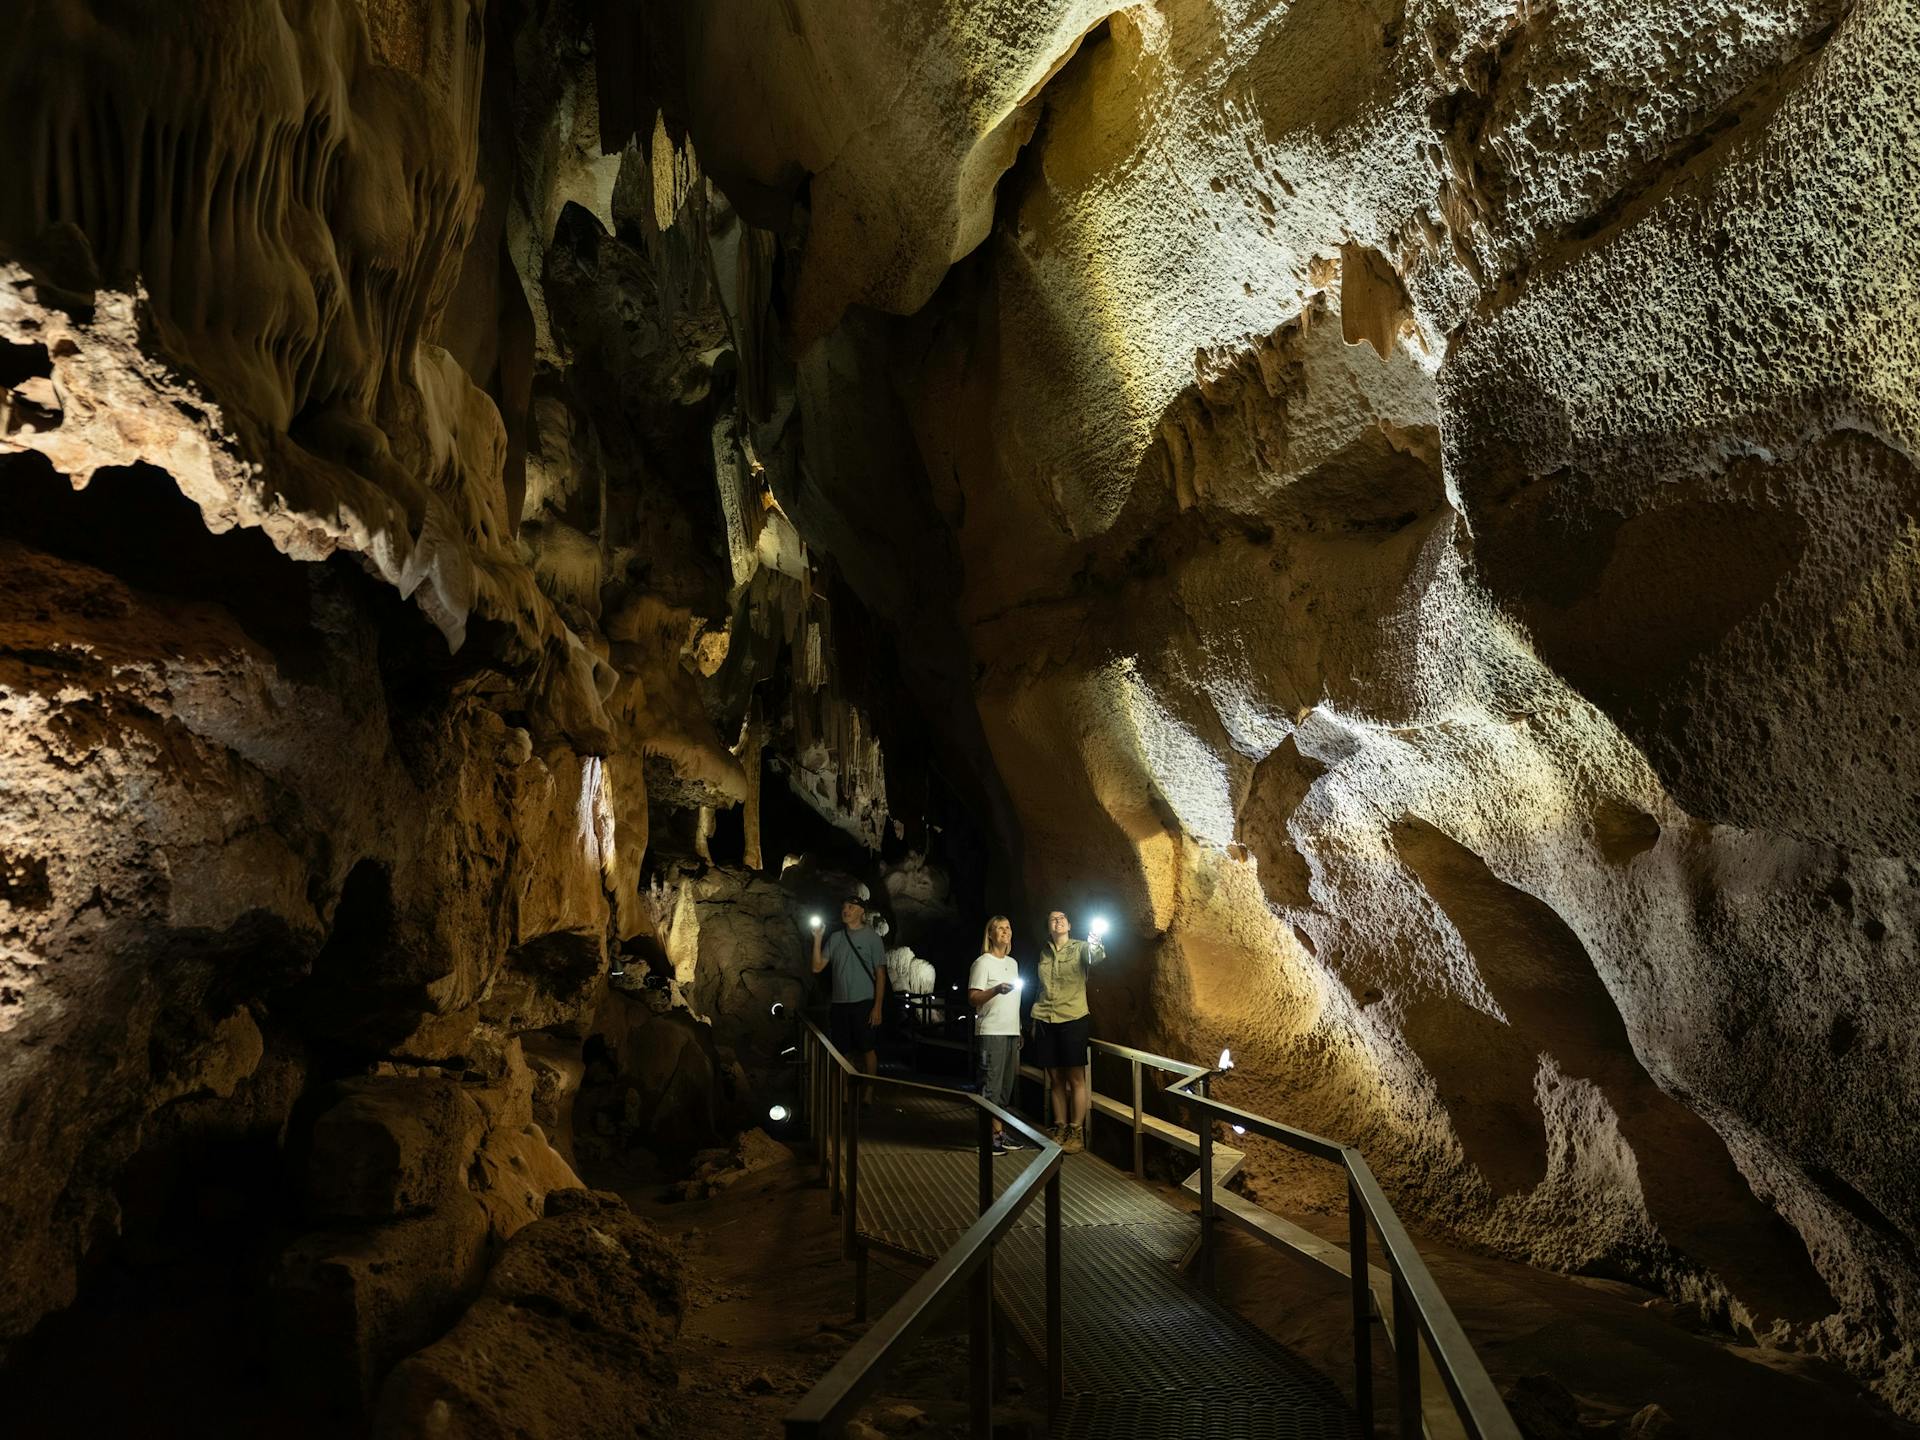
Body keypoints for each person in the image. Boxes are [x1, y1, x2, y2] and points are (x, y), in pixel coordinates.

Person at [1028, 909, 1104, 1154]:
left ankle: (1076, 1131)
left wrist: (1096, 940)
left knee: (1075, 1078)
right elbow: (1039, 986)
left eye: (1061, 918)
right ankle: (1059, 1127)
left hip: (1073, 1018)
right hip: (1045, 1018)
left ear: (1070, 925)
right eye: (1052, 918)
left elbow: (1096, 957)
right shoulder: (1043, 952)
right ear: (1048, 927)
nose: (1058, 921)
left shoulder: (1081, 947)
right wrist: (1033, 1019)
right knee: (1055, 1079)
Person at [812, 895, 886, 1083]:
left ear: (861, 911)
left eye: (851, 907)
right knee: (840, 1050)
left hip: (864, 1003)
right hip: (839, 1003)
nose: (846, 910)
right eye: (844, 907)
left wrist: (877, 1007)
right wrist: (818, 938)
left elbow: (881, 975)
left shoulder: (873, 938)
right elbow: (817, 967)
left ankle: (869, 1091)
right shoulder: (836, 938)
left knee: (867, 1048)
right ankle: (843, 1093)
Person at [967, 915, 1024, 1155]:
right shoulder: (983, 963)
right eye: (999, 928)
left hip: (1010, 1031)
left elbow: (1015, 1001)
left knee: (1005, 1087)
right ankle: (989, 1137)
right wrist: (996, 990)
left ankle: (999, 1131)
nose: (1005, 931)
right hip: (991, 1032)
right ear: (990, 934)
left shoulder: (1013, 964)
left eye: (1008, 927)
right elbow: (973, 998)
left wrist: (1019, 1027)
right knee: (990, 1085)